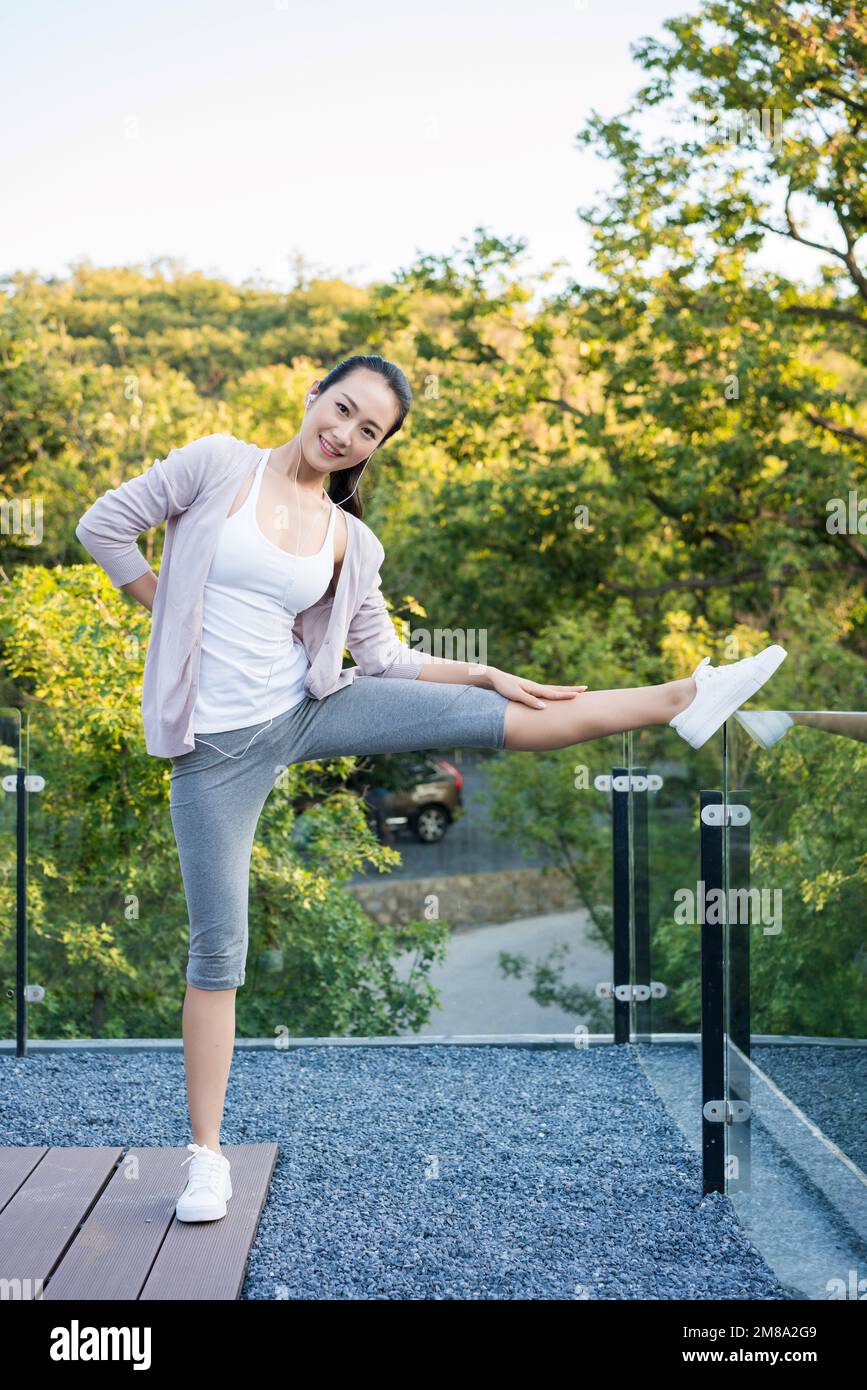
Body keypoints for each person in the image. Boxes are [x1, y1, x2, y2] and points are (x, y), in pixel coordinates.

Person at [74, 353, 787, 1221]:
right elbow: (103, 525)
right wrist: (166, 607)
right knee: (218, 949)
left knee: (502, 717)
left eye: (366, 430)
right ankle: (206, 1160)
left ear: (375, 447)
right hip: (215, 750)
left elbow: (382, 658)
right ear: (312, 397)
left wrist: (485, 672)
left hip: (308, 709)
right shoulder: (217, 463)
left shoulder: (350, 539)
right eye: (340, 410)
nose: (343, 433)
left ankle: (686, 696)